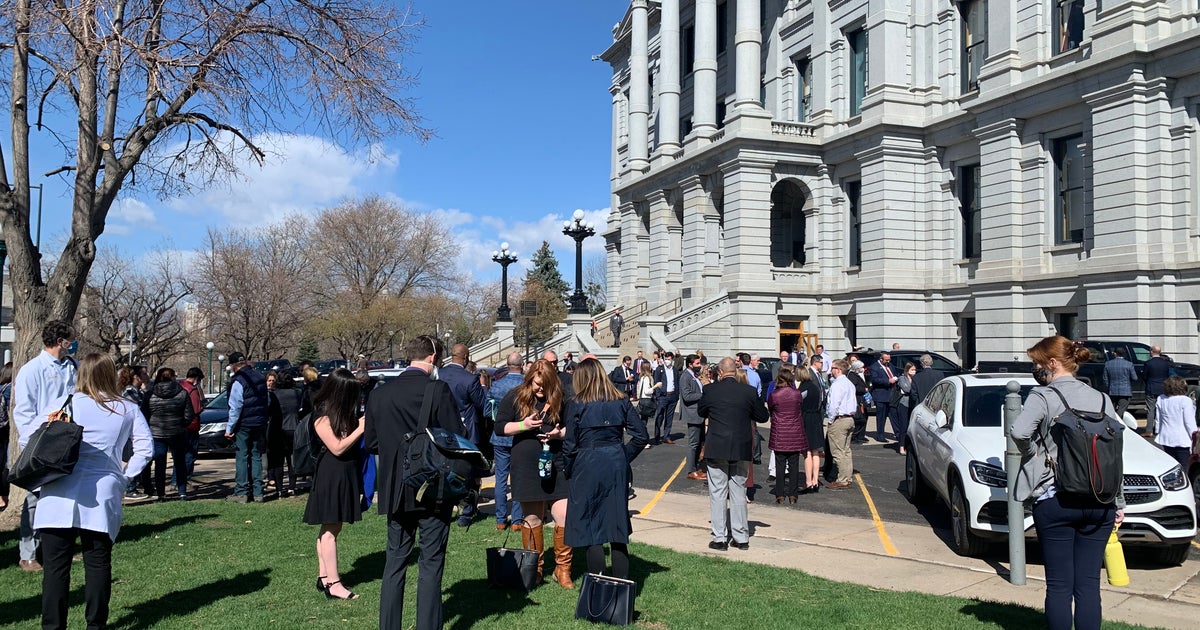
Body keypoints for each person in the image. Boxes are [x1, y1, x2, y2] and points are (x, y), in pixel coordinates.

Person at [1011, 336, 1125, 630]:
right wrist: (1119, 502)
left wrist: (1035, 453)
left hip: (1056, 497)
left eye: (1037, 363)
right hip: (1100, 501)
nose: (1036, 368)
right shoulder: (1101, 398)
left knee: (1060, 586)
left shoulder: (1043, 396)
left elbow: (1020, 432)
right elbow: (1113, 452)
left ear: (1052, 363)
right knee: (1088, 586)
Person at [34, 353, 152, 630]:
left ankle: (53, 626)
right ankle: (95, 624)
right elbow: (145, 448)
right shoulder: (127, 409)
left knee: (55, 569)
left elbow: (33, 439)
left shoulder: (64, 404)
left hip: (59, 488)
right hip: (101, 491)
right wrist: (123, 476)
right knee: (98, 564)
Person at [366, 335, 464, 630]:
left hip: (395, 486)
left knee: (395, 561)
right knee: (431, 564)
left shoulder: (379, 394)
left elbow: (371, 442)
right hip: (432, 486)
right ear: (433, 358)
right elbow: (456, 439)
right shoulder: (438, 389)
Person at [562, 358, 648, 578]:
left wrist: (569, 470)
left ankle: (598, 581)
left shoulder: (576, 403)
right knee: (616, 525)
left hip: (586, 463)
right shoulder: (620, 400)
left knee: (592, 528)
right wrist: (622, 456)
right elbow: (641, 436)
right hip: (614, 462)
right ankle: (621, 585)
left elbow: (570, 444)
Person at [494, 359, 573, 588]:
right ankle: (534, 568)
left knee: (565, 515)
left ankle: (563, 569)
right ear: (529, 380)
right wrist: (523, 426)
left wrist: (559, 434)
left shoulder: (560, 397)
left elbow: (572, 427)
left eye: (544, 385)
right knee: (532, 518)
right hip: (526, 464)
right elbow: (500, 427)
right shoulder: (516, 396)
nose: (540, 389)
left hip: (555, 462)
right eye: (537, 384)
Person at [13, 320, 79, 572]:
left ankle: (59, 549)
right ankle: (27, 553)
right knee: (35, 498)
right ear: (61, 341)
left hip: (68, 438)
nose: (73, 344)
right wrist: (32, 441)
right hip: (41, 440)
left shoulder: (73, 366)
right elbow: (24, 410)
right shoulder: (32, 369)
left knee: (64, 495)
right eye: (70, 339)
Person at [303, 368, 366, 600]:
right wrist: (360, 428)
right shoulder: (322, 416)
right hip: (331, 475)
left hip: (344, 473)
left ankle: (324, 577)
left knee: (332, 527)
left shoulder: (340, 414)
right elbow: (337, 447)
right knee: (330, 529)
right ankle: (334, 583)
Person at [697, 358, 768, 550]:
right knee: (738, 492)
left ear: (720, 372)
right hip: (740, 447)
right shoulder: (749, 391)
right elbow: (763, 416)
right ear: (735, 371)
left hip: (717, 446)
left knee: (718, 493)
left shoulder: (711, 390)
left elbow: (701, 411)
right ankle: (741, 537)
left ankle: (720, 537)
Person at [440, 344, 488, 527]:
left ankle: (445, 508)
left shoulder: (439, 375)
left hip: (443, 431)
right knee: (468, 474)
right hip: (466, 432)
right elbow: (483, 406)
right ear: (466, 357)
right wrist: (483, 387)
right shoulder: (470, 380)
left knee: (445, 470)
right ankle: (466, 513)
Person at [224, 352, 270, 503]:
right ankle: (258, 492)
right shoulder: (260, 376)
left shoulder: (238, 380)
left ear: (233, 365)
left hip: (244, 424)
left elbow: (235, 407)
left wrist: (229, 429)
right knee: (256, 455)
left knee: (242, 456)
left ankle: (241, 492)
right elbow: (266, 400)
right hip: (259, 422)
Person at [488, 353, 526, 530]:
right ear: (522, 365)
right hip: (520, 435)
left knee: (501, 479)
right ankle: (517, 520)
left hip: (501, 436)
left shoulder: (497, 385)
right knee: (518, 478)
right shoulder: (526, 385)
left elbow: (488, 411)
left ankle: (501, 519)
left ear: (507, 365)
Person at [146, 367, 194, 501]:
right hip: (177, 432)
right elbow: (189, 414)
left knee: (160, 463)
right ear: (173, 377)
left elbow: (144, 413)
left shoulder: (150, 394)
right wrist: (181, 424)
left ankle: (161, 494)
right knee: (180, 462)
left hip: (157, 432)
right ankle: (182, 492)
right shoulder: (182, 393)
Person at [767, 364, 806, 503]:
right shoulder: (797, 394)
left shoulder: (774, 395)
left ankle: (780, 493)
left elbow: (771, 409)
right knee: (794, 465)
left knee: (780, 465)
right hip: (794, 432)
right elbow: (799, 408)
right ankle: (793, 494)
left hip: (780, 432)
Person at [270, 369, 305, 497]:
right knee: (292, 461)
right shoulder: (297, 393)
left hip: (278, 429)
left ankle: (279, 489)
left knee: (278, 461)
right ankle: (292, 487)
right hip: (294, 428)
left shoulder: (274, 394)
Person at [824, 359, 858, 490]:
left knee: (838, 451)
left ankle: (843, 480)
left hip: (840, 419)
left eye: (832, 368)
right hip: (849, 419)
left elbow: (833, 405)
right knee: (846, 451)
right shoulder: (849, 383)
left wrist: (831, 420)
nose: (830, 370)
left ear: (838, 369)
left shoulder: (838, 385)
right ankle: (847, 477)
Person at [1154, 376, 1197, 468]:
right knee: (1183, 465)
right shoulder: (1185, 400)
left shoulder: (1161, 399)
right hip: (1182, 438)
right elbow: (1189, 422)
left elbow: (1158, 419)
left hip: (1166, 437)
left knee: (1170, 465)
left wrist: (1157, 431)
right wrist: (1194, 436)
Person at [795, 365, 824, 493]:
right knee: (816, 452)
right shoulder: (815, 387)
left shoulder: (803, 389)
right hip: (817, 418)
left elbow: (798, 404)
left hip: (806, 419)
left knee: (806, 452)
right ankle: (815, 481)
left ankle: (808, 482)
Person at [679, 354, 707, 481]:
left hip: (699, 414)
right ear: (690, 364)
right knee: (693, 444)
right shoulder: (685, 377)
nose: (699, 365)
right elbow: (687, 396)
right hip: (693, 414)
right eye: (697, 363)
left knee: (700, 442)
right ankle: (691, 470)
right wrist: (702, 395)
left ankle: (696, 467)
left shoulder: (693, 376)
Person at [177, 367, 205, 486]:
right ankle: (185, 479)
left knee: (179, 455)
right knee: (190, 454)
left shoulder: (179, 386)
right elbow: (196, 409)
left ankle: (176, 480)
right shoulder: (192, 390)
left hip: (179, 425)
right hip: (191, 425)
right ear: (196, 378)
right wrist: (202, 407)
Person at [868, 352, 898, 442]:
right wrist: (888, 381)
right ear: (881, 359)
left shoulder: (891, 366)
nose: (888, 361)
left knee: (894, 415)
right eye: (886, 360)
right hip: (881, 395)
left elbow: (895, 373)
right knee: (881, 416)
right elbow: (875, 380)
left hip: (891, 394)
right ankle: (880, 435)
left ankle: (898, 434)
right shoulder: (874, 367)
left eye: (889, 359)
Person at [1101, 347, 1137, 420]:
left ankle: (1112, 421)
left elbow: (1105, 378)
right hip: (1125, 391)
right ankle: (1117, 421)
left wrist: (1109, 387)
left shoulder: (1108, 364)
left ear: (1115, 354)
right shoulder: (1129, 364)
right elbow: (1135, 378)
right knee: (1122, 408)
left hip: (1112, 390)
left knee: (1111, 409)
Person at [652, 351, 679, 444]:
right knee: (659, 416)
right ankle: (657, 436)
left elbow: (677, 382)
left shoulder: (675, 370)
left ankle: (667, 436)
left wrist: (677, 395)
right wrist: (658, 396)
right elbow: (656, 382)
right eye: (666, 359)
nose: (667, 361)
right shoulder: (659, 369)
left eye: (669, 359)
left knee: (669, 417)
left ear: (672, 360)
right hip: (663, 396)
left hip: (672, 396)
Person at [1143, 345, 1170, 435]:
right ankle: (1163, 429)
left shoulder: (1148, 363)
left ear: (1151, 351)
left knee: (1151, 410)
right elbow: (1167, 376)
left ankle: (1149, 430)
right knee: (1163, 410)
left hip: (1151, 388)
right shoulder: (1165, 363)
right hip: (1162, 388)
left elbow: (1144, 376)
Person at [894, 362, 918, 455]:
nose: (914, 371)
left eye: (915, 370)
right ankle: (901, 446)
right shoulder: (902, 378)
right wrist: (913, 389)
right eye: (912, 370)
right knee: (903, 426)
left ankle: (909, 446)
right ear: (907, 370)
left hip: (913, 404)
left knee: (911, 426)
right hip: (904, 404)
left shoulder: (916, 378)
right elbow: (907, 389)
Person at [0, 363, 13, 513]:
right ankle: (4, 498)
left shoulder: (1, 388)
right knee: (7, 465)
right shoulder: (10, 389)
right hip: (6, 432)